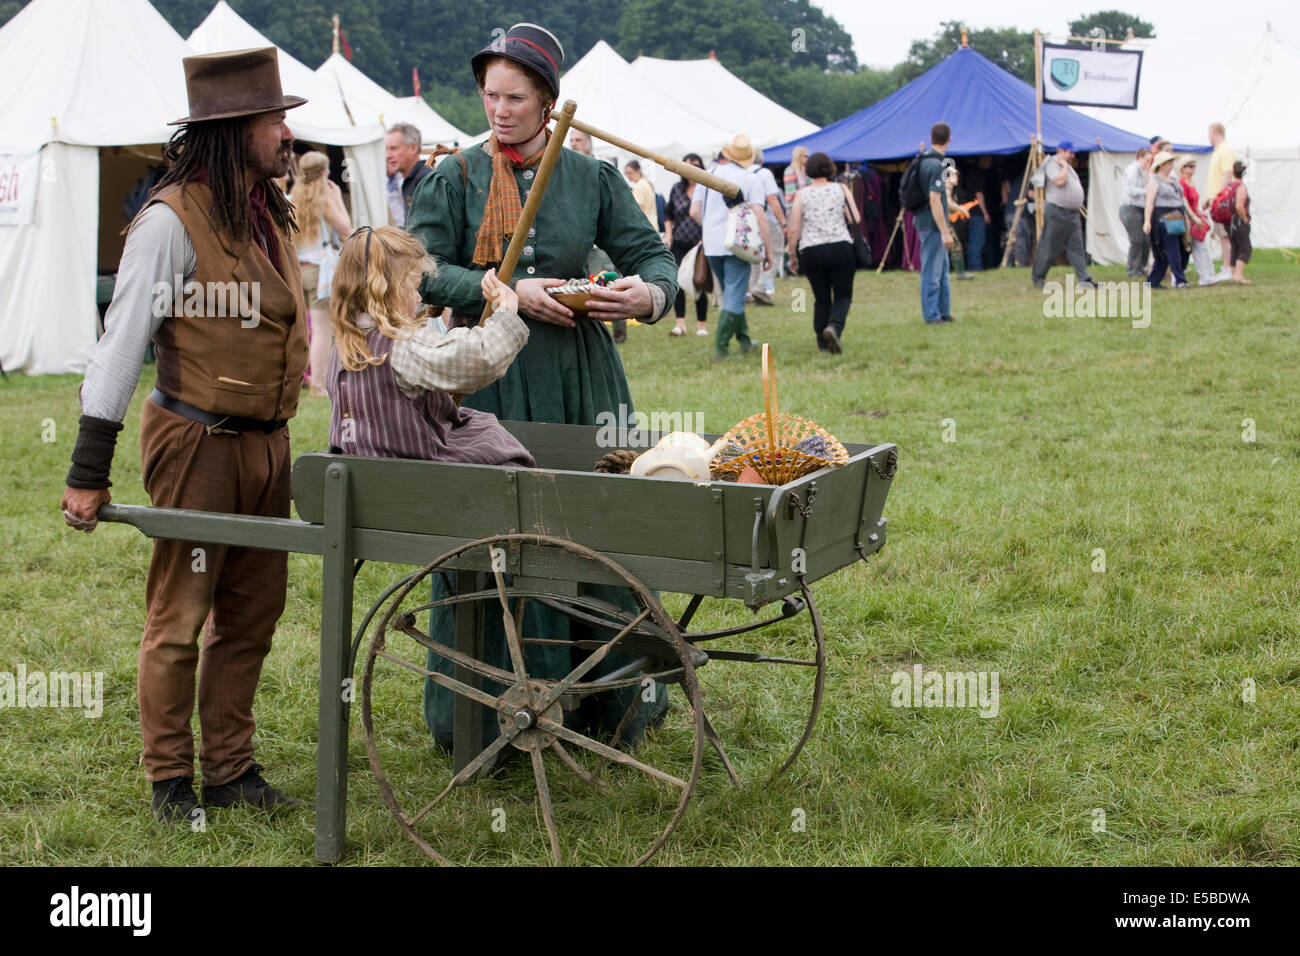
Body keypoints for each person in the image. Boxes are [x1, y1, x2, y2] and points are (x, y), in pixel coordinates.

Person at [407, 23, 678, 749]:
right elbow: (419, 268)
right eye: (491, 95)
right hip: (485, 378)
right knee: (492, 538)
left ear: (549, 100)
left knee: (594, 528)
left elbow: (653, 258)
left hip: (580, 377)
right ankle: (480, 708)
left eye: (516, 97)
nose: (500, 109)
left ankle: (606, 703)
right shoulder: (455, 175)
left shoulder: (591, 179)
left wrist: (644, 297)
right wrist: (505, 290)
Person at [59, 47, 309, 824]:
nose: (285, 133)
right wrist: (87, 470)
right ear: (236, 130)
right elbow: (120, 344)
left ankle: (231, 770)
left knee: (252, 616)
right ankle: (171, 781)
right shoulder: (169, 220)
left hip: (268, 445)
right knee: (180, 615)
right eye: (274, 120)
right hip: (198, 442)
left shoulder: (266, 210)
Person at [326, 226, 533, 465]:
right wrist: (507, 310)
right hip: (416, 477)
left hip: (363, 473)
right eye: (413, 288)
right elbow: (477, 359)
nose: (419, 297)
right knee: (497, 446)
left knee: (478, 426)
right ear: (388, 291)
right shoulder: (400, 346)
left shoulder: (344, 347)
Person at [691, 134, 773, 358]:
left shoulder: (708, 176)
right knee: (735, 295)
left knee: (730, 293)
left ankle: (745, 340)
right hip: (739, 245)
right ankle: (721, 349)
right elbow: (760, 216)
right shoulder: (750, 179)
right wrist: (768, 250)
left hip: (711, 244)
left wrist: (710, 228)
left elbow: (694, 212)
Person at [290, 151, 352, 396]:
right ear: (324, 171)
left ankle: (309, 377)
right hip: (321, 272)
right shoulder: (324, 197)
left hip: (300, 268)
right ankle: (318, 383)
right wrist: (337, 197)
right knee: (323, 329)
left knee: (306, 329)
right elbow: (345, 229)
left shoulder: (294, 196)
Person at [785, 151, 856, 354]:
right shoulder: (841, 189)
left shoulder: (802, 194)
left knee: (821, 298)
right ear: (830, 168)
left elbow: (794, 228)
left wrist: (792, 254)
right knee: (843, 295)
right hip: (840, 246)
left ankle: (822, 342)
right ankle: (834, 326)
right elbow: (855, 218)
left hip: (812, 250)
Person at [1031, 141, 1094, 290]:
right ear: (1061, 151)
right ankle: (1038, 277)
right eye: (1070, 152)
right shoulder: (1052, 163)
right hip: (1058, 211)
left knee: (1076, 247)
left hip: (1072, 213)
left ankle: (1084, 279)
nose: (1073, 155)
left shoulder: (1069, 167)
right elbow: (1059, 181)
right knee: (1049, 246)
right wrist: (1065, 166)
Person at [664, 152, 709, 338]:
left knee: (700, 281)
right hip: (680, 242)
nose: (690, 168)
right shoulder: (677, 189)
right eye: (686, 165)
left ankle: (701, 325)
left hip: (699, 243)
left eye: (694, 164)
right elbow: (668, 214)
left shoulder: (707, 187)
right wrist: (669, 236)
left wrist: (705, 237)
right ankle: (680, 324)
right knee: (678, 282)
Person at [915, 122, 955, 323]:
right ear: (949, 139)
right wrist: (945, 231)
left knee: (942, 270)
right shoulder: (937, 164)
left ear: (931, 139)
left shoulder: (924, 160)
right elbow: (935, 199)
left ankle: (943, 311)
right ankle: (932, 315)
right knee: (932, 271)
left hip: (927, 222)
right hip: (932, 225)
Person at [1142, 150, 1197, 289]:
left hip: (1178, 216)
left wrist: (1193, 216)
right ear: (1161, 165)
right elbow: (1149, 201)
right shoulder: (1154, 181)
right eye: (1168, 163)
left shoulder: (1174, 181)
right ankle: (1180, 280)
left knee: (1180, 250)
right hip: (1163, 218)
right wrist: (1147, 221)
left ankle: (1153, 281)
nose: (1171, 166)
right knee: (1172, 250)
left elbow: (1182, 199)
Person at [1176, 156, 1217, 286]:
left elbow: (1194, 204)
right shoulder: (1182, 183)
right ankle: (1202, 276)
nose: (1193, 168)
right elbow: (1185, 203)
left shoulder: (1191, 183)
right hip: (1188, 221)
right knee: (1188, 250)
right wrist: (1193, 217)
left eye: (1194, 166)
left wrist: (1200, 215)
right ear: (1182, 169)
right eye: (1190, 166)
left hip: (1195, 219)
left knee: (1200, 248)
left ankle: (1207, 275)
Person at [1204, 123, 1236, 282]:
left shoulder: (1225, 151)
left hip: (1222, 202)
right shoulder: (1218, 151)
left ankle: (1228, 268)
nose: (1208, 137)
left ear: (1216, 133)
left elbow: (1227, 175)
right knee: (1222, 236)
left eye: (1209, 134)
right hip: (1216, 200)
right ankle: (1227, 267)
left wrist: (1220, 198)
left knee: (1225, 236)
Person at [385, 122, 430, 228]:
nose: (388, 156)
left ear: (413, 148)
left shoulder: (425, 180)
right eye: (386, 150)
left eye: (393, 148)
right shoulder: (410, 180)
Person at [1120, 147, 1152, 277]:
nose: (1148, 163)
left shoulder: (1144, 173)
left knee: (1146, 240)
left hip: (1140, 208)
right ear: (1140, 157)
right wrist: (1147, 192)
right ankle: (1132, 269)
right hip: (1130, 207)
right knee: (1137, 240)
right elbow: (1130, 190)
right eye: (1147, 160)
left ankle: (1141, 267)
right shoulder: (1132, 170)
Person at [1227, 160, 1252, 284]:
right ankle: (1238, 275)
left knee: (1235, 248)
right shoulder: (1241, 187)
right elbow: (1239, 206)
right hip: (1238, 222)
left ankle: (1233, 274)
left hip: (1229, 222)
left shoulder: (1229, 186)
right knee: (1246, 248)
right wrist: (1245, 219)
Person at [624, 159, 658, 229]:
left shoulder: (639, 186)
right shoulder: (646, 183)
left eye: (630, 172)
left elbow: (638, 211)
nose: (628, 176)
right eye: (626, 173)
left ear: (638, 170)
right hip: (652, 224)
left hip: (644, 227)